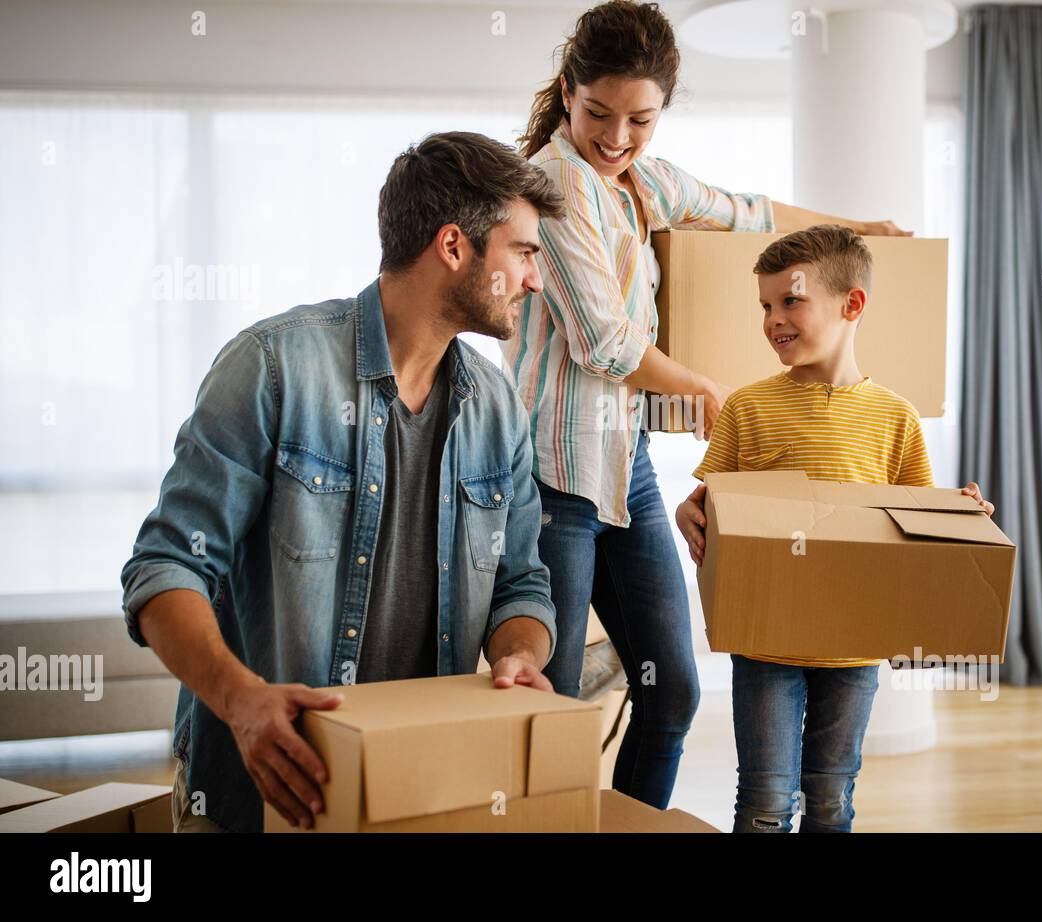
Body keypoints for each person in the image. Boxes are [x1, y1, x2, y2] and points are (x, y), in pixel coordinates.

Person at [505, 0, 913, 809]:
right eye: (598, 114)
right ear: (567, 90)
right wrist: (696, 385)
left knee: (674, 692)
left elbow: (747, 212)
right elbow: (606, 343)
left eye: (640, 121)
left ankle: (629, 833)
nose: (617, 138)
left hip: (627, 471)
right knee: (546, 714)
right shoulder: (552, 184)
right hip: (553, 479)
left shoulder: (642, 184)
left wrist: (854, 228)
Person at [120, 132, 564, 833]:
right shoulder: (273, 369)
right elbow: (164, 568)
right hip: (254, 795)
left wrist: (518, 655)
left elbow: (522, 585)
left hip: (417, 790)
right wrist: (241, 702)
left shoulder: (498, 406)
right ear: (454, 247)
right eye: (525, 253)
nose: (537, 280)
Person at [675, 225, 995, 832]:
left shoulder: (895, 416)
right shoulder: (748, 407)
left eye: (790, 301)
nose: (773, 320)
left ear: (852, 304)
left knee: (830, 796)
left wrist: (962, 514)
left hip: (853, 645)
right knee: (765, 801)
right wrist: (683, 511)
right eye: (765, 307)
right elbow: (711, 501)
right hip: (765, 640)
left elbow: (915, 520)